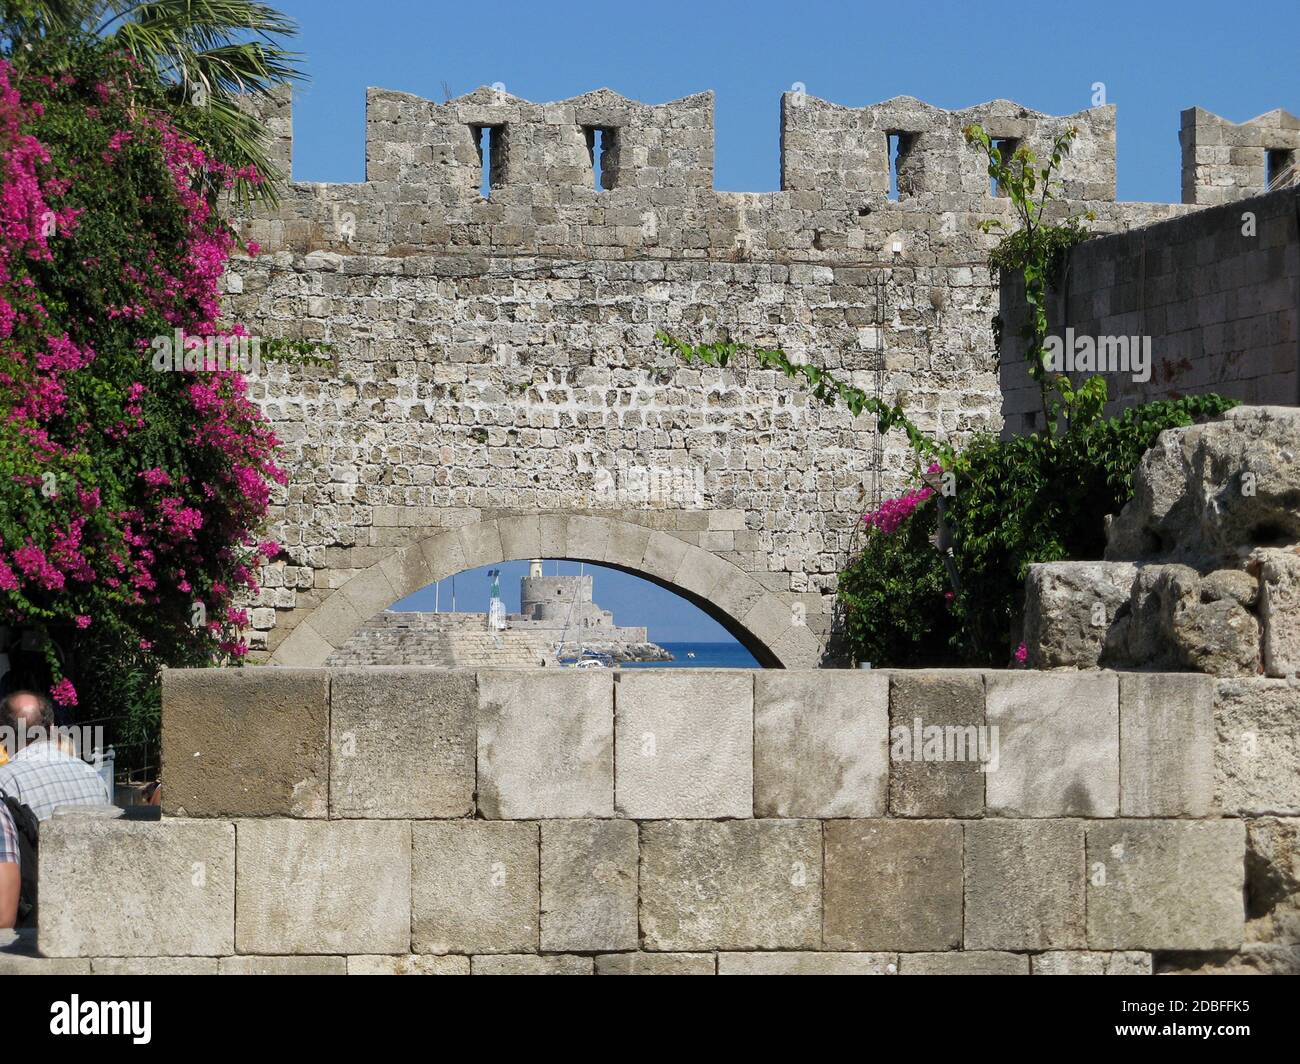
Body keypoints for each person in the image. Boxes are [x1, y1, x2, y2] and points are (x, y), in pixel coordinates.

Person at [0, 690, 111, 929]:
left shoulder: (5, 782)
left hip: (37, 923)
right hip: (95, 914)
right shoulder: (92, 776)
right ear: (52, 727)